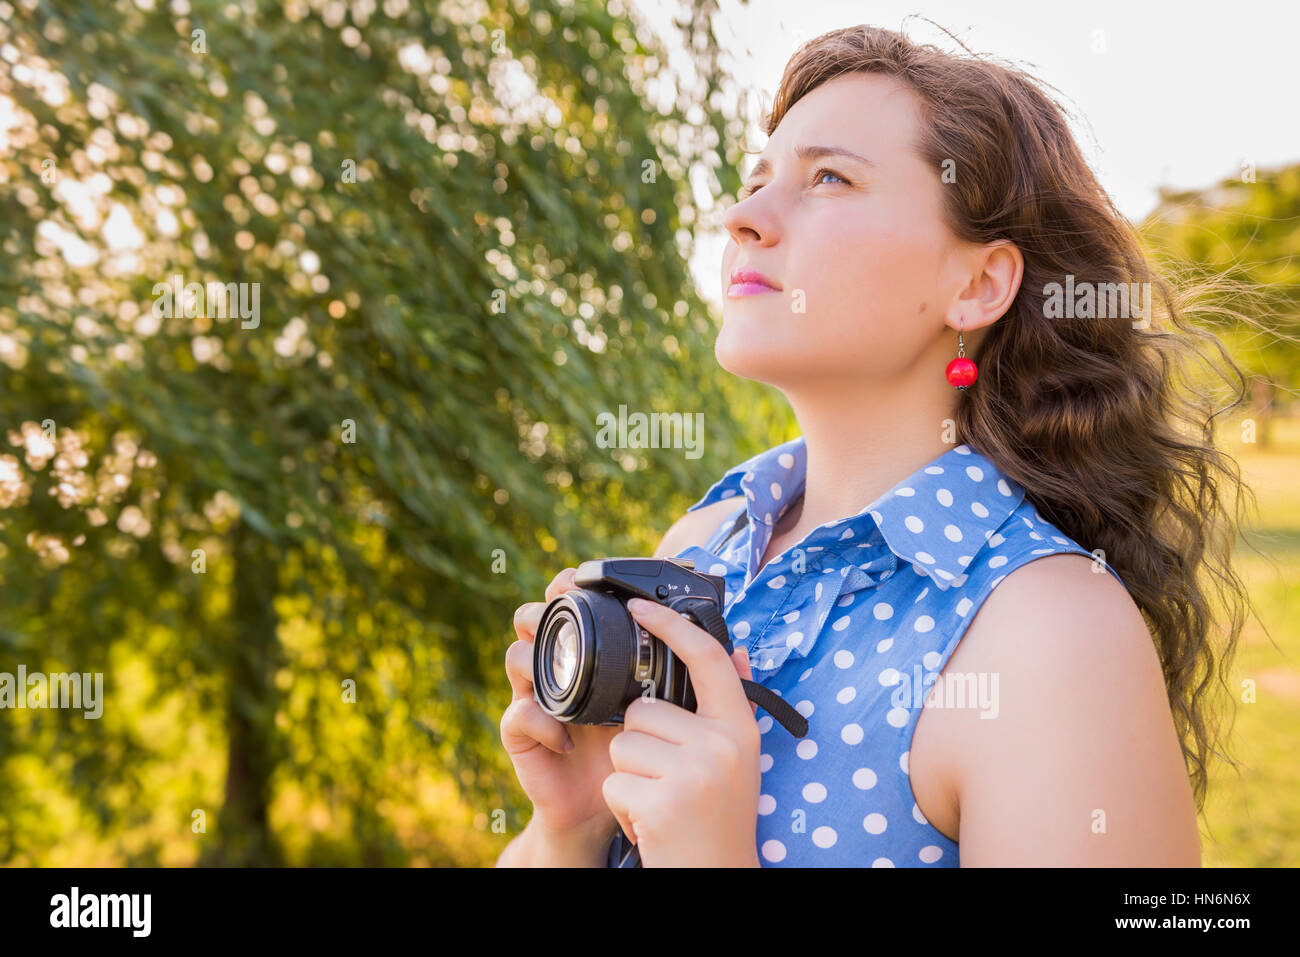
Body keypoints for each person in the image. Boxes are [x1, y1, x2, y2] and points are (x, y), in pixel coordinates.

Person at [497, 24, 1252, 867]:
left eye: (828, 178)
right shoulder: (704, 544)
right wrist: (569, 828)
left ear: (976, 284)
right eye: (755, 182)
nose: (742, 218)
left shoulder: (1050, 635)